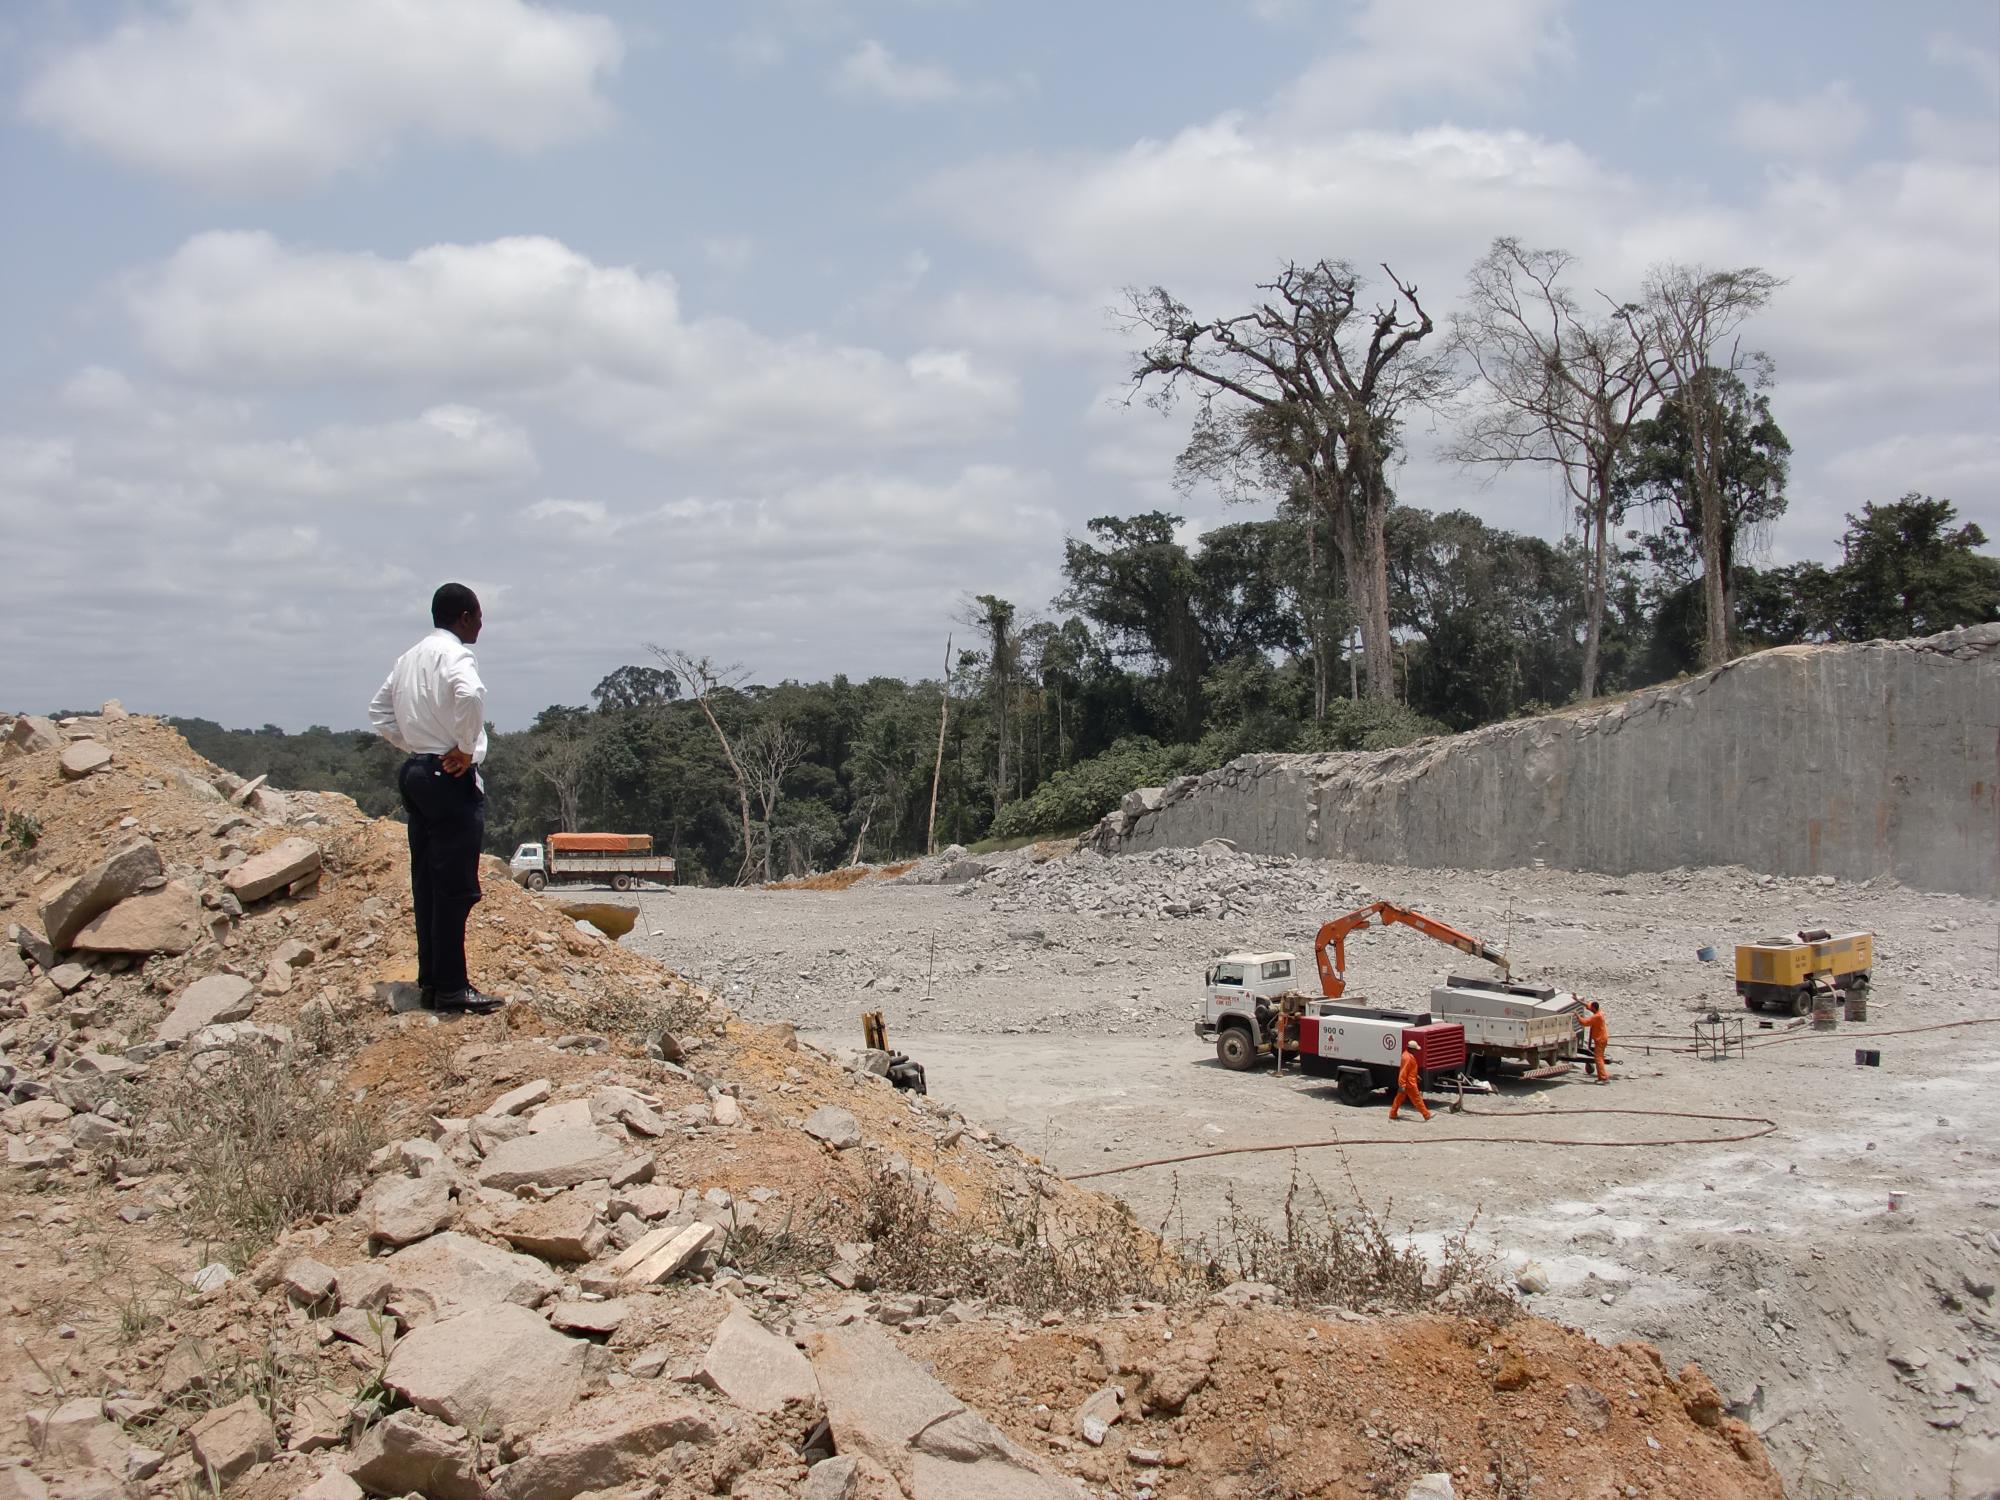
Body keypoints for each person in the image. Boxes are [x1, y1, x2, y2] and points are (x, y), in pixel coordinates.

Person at [368, 583, 500, 1012]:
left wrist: (413, 745)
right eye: (478, 616)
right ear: (464, 616)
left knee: (426, 880)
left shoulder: (408, 658)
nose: (481, 624)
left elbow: (379, 712)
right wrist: (463, 747)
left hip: (416, 773)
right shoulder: (455, 655)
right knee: (455, 887)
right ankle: (452, 987)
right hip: (447, 776)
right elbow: (471, 694)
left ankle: (430, 980)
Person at [1389, 1038, 1431, 1121]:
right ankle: (1426, 1114)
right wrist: (1402, 1085)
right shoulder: (1408, 1058)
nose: (1416, 1051)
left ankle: (1392, 1114)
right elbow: (1403, 1072)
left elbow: (1409, 1070)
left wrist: (1416, 1075)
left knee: (1399, 1098)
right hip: (1410, 1083)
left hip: (1407, 1082)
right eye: (1415, 1049)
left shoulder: (1405, 1055)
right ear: (1412, 1049)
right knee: (1417, 1099)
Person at [1583, 1000, 1609, 1083]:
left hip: (1600, 1040)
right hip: (1602, 1038)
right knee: (1599, 1058)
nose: (1590, 1008)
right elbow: (1588, 1006)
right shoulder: (1599, 1012)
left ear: (1594, 1008)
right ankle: (1603, 1076)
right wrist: (1577, 1000)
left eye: (1591, 1008)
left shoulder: (1597, 1016)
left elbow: (1585, 1022)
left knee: (1598, 1059)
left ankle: (1603, 1078)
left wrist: (1576, 1015)